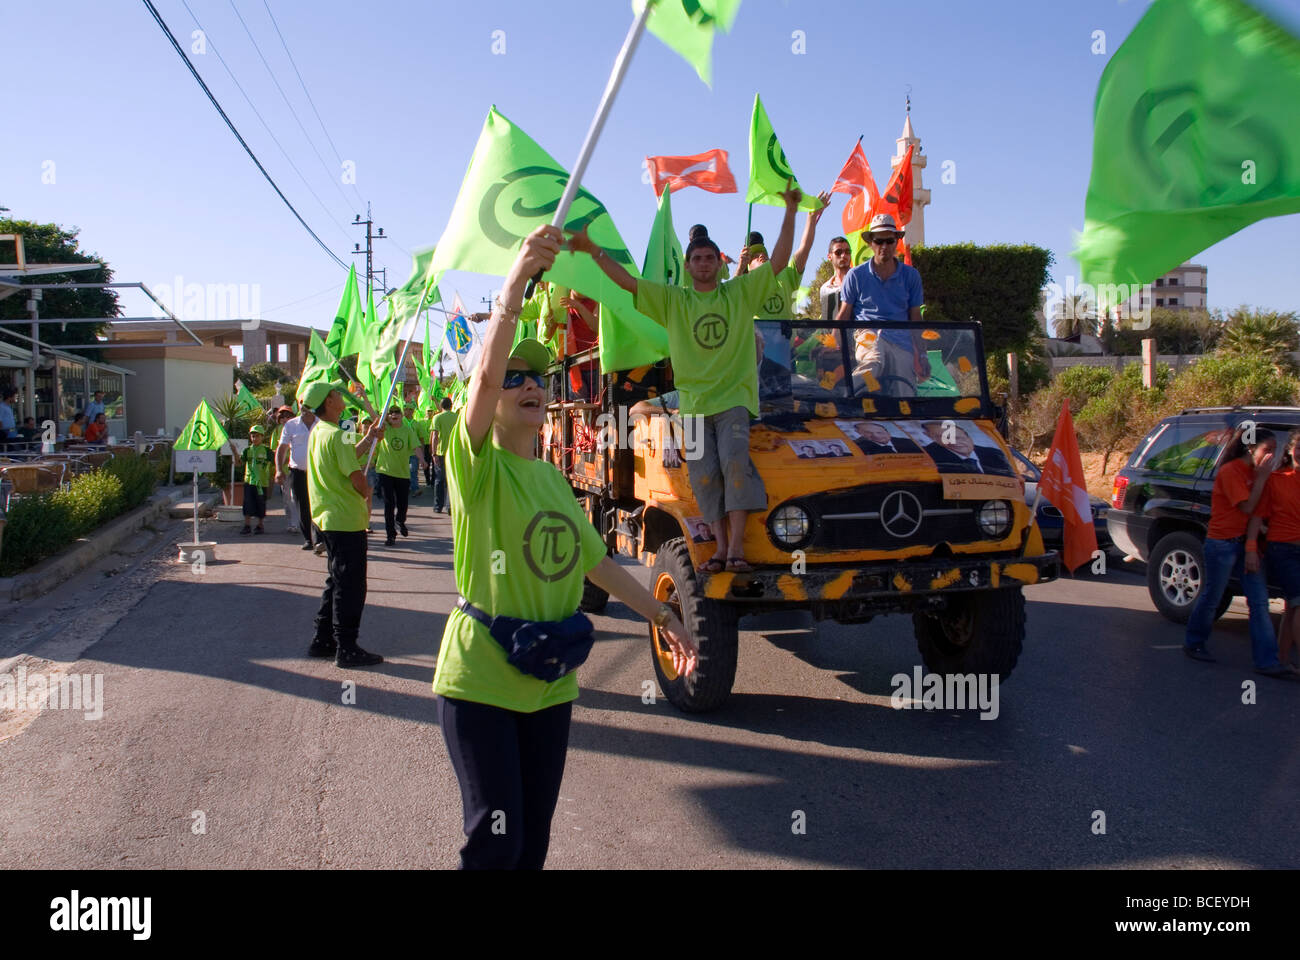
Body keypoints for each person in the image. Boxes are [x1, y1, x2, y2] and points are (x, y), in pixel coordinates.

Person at [433, 224, 696, 870]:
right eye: (515, 377)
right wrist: (517, 281)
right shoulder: (475, 467)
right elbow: (485, 372)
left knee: (533, 848)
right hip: (482, 682)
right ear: (492, 398)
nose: (529, 385)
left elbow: (599, 564)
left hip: (551, 683)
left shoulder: (553, 480)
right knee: (496, 845)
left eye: (539, 378)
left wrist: (662, 616)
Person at [573, 184, 803, 573]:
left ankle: (735, 551)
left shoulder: (739, 293)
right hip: (693, 407)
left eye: (709, 258)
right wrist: (593, 251)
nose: (703, 263)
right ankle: (719, 547)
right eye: (696, 258)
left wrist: (791, 211)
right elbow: (627, 283)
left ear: (718, 262)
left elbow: (779, 261)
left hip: (733, 402)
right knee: (704, 478)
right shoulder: (674, 300)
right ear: (688, 263)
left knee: (734, 466)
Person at [304, 379, 386, 668]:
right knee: (351, 586)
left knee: (336, 580)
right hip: (345, 519)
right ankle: (347, 647)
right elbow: (355, 475)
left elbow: (347, 458)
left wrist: (370, 437)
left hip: (328, 518)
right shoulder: (336, 435)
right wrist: (367, 492)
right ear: (329, 402)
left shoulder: (320, 432)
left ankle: (323, 639)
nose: (342, 396)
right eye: (337, 393)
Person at [1185, 427, 1279, 668]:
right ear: (1250, 448)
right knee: (1213, 596)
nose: (1271, 457)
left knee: (1259, 603)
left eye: (1275, 452)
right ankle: (1194, 642)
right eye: (1267, 450)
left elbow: (1258, 514)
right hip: (1222, 543)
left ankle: (1267, 661)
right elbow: (1247, 507)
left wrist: (1250, 547)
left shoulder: (1261, 475)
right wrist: (1260, 479)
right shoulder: (1231, 471)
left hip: (1245, 544)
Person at [834, 213, 928, 396]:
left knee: (904, 391)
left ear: (896, 242)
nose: (884, 246)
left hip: (902, 341)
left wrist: (922, 355)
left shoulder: (911, 276)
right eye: (879, 241)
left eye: (889, 241)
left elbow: (916, 319)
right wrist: (832, 346)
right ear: (871, 243)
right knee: (874, 362)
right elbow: (844, 314)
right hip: (868, 334)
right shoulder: (856, 275)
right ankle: (845, 398)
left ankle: (902, 422)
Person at [1245, 429, 1300, 677]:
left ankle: (1282, 658)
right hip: (1283, 550)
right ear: (1289, 450)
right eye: (1299, 447)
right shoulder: (1277, 479)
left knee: (1292, 607)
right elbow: (1258, 516)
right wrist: (1251, 548)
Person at [739, 191, 832, 325]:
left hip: (786, 344)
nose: (761, 256)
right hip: (759, 345)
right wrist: (740, 267)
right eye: (754, 256)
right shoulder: (747, 285)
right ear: (748, 268)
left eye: (763, 253)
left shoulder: (788, 274)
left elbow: (804, 247)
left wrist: (811, 217)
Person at [374, 405, 423, 546]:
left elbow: (416, 447)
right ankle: (391, 535)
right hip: (385, 472)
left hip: (402, 474)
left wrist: (423, 459)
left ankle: (400, 520)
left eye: (397, 412)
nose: (394, 415)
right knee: (389, 504)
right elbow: (373, 414)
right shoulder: (385, 429)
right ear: (388, 416)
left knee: (403, 504)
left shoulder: (408, 431)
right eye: (391, 413)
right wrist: (364, 396)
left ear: (401, 416)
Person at [275, 401, 319, 552]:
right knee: (303, 506)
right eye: (302, 406)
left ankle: (319, 538)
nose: (305, 409)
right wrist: (279, 470)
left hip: (318, 473)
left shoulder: (322, 424)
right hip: (297, 472)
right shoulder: (291, 425)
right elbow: (282, 448)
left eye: (308, 405)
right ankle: (308, 538)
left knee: (318, 505)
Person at [920, 422, 1012, 475]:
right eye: (944, 439)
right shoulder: (931, 457)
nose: (953, 442)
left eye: (958, 438)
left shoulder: (995, 454)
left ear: (969, 437)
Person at [240, 424, 272, 535]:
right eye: (253, 436)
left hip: (261, 482)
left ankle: (260, 525)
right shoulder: (247, 450)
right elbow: (240, 462)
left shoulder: (267, 451)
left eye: (257, 436)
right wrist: (235, 452)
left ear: (262, 437)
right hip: (249, 481)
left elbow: (274, 463)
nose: (255, 438)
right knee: (248, 503)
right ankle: (247, 525)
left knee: (260, 504)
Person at [269, 407, 296, 534]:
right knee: (286, 498)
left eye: (287, 416)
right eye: (282, 417)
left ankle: (299, 523)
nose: (285, 419)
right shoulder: (277, 431)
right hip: (284, 470)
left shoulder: (297, 427)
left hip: (296, 468)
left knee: (296, 497)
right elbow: (274, 449)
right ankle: (291, 522)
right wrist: (279, 466)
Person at [430, 397, 456, 514]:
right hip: (454, 452)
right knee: (452, 480)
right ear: (451, 405)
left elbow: (435, 436)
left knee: (439, 480)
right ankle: (450, 506)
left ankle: (438, 506)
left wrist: (433, 453)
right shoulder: (457, 417)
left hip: (441, 452)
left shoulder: (437, 417)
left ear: (441, 406)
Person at [819, 235, 853, 321]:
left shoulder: (860, 281)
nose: (843, 255)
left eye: (847, 252)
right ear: (829, 257)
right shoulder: (825, 288)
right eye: (838, 252)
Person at [852, 421, 920, 455]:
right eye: (868, 433)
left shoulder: (907, 442)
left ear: (888, 432)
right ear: (860, 434)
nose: (876, 436)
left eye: (879, 432)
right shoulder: (858, 447)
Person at [404, 404, 425, 497]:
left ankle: (415, 489)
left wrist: (422, 452)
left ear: (413, 411)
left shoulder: (417, 423)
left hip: (414, 451)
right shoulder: (401, 422)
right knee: (404, 471)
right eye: (405, 409)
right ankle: (406, 488)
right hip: (403, 452)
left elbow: (421, 438)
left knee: (413, 470)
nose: (407, 411)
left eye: (409, 409)